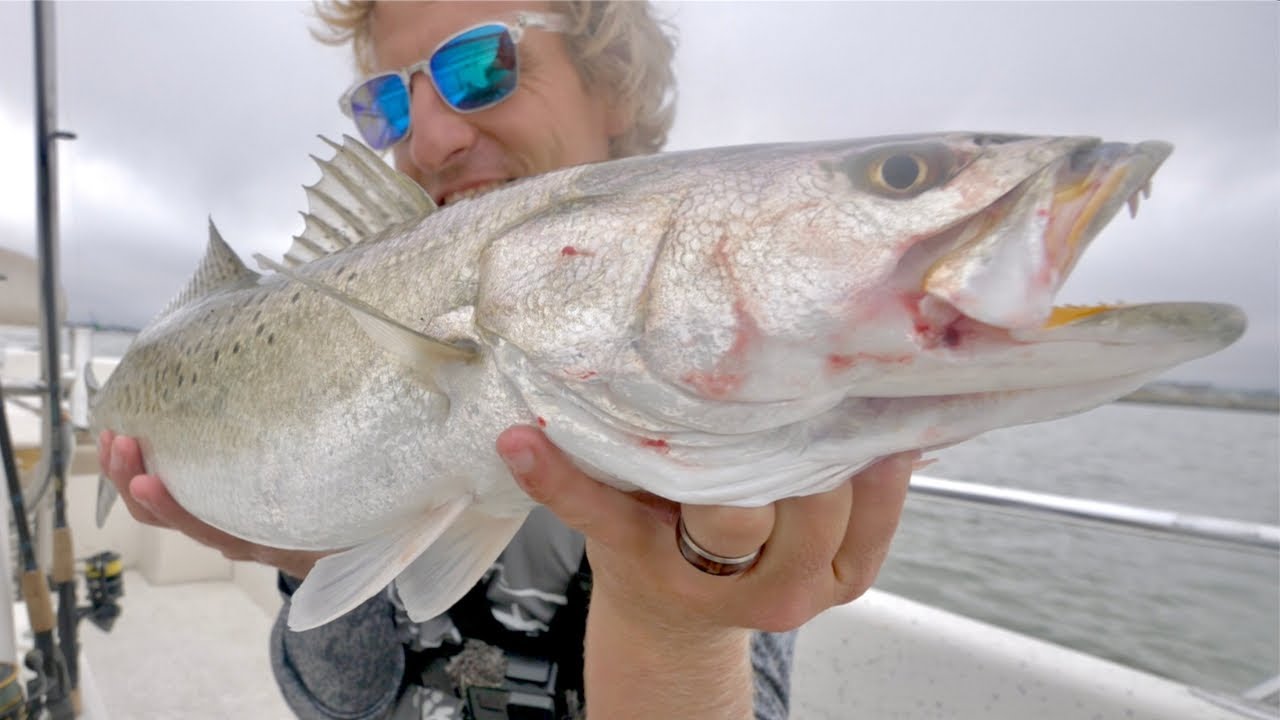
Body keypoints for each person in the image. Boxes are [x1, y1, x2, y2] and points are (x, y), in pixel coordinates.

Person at [96, 2, 916, 718]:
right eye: (387, 104)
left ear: (617, 84)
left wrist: (683, 631)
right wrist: (321, 554)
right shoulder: (335, 315)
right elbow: (331, 701)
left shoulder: (717, 396)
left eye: (479, 65)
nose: (431, 140)